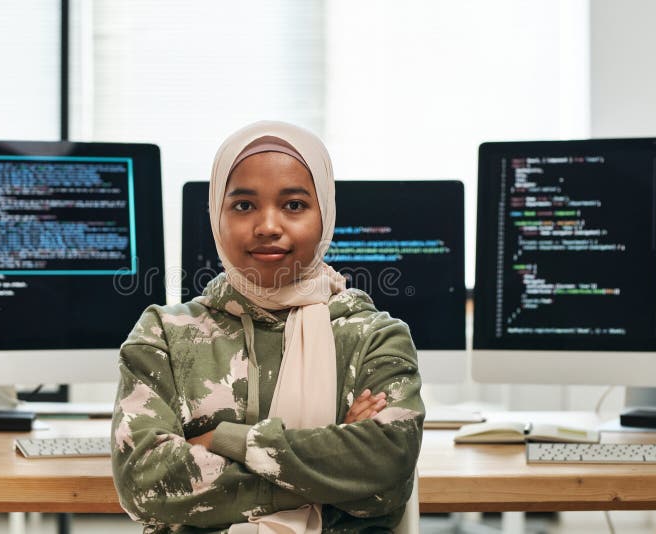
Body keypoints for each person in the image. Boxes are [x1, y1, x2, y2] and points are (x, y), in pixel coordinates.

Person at [111, 120, 424, 533]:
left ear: (325, 214)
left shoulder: (376, 338)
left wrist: (225, 439)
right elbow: (144, 485)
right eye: (244, 206)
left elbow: (385, 470)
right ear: (217, 216)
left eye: (294, 205)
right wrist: (332, 470)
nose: (268, 226)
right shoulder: (164, 335)